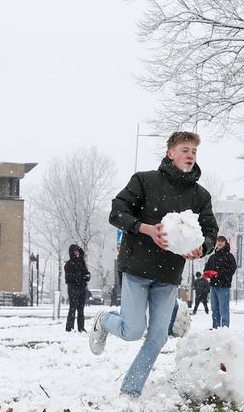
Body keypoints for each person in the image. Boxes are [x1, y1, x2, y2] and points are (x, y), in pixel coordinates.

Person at [91, 131, 218, 397]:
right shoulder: (145, 181)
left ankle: (130, 391)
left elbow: (210, 231)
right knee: (133, 330)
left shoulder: (200, 196)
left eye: (194, 151)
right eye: (185, 150)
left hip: (169, 275)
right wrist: (145, 229)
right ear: (170, 153)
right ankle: (104, 321)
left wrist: (200, 248)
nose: (191, 156)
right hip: (137, 268)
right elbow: (117, 212)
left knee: (158, 337)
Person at [203, 235, 236, 328]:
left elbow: (232, 269)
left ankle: (225, 330)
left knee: (223, 310)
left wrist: (217, 274)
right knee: (214, 309)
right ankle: (215, 329)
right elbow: (206, 268)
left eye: (222, 241)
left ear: (225, 243)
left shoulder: (229, 256)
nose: (220, 242)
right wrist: (207, 273)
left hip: (224, 286)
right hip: (213, 286)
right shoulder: (212, 257)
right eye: (218, 241)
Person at [63, 244, 90, 332]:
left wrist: (87, 276)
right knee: (73, 308)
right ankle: (69, 327)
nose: (77, 253)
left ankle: (81, 327)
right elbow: (68, 277)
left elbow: (86, 273)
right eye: (75, 251)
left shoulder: (82, 263)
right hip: (73, 289)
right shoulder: (69, 264)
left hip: (82, 288)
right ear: (72, 252)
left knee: (81, 309)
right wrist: (80, 277)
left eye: (78, 251)